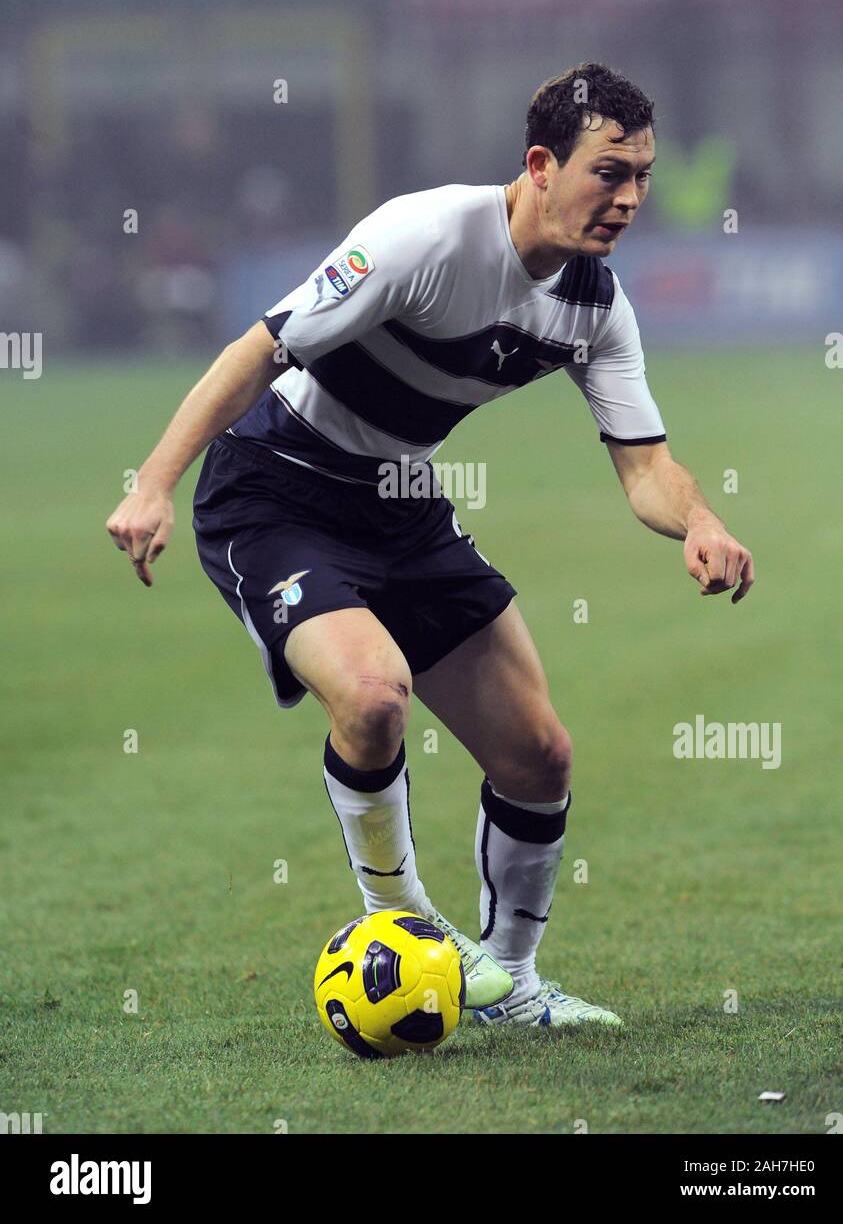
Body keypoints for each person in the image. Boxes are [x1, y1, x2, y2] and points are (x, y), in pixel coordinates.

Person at [106, 64, 755, 1030]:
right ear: (540, 164)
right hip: (274, 492)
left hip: (400, 503)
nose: (626, 199)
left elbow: (644, 464)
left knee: (539, 755)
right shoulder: (423, 236)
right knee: (372, 699)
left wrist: (699, 520)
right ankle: (406, 925)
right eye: (606, 172)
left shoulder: (592, 308)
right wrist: (154, 482)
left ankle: (512, 983)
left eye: (641, 177)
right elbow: (259, 348)